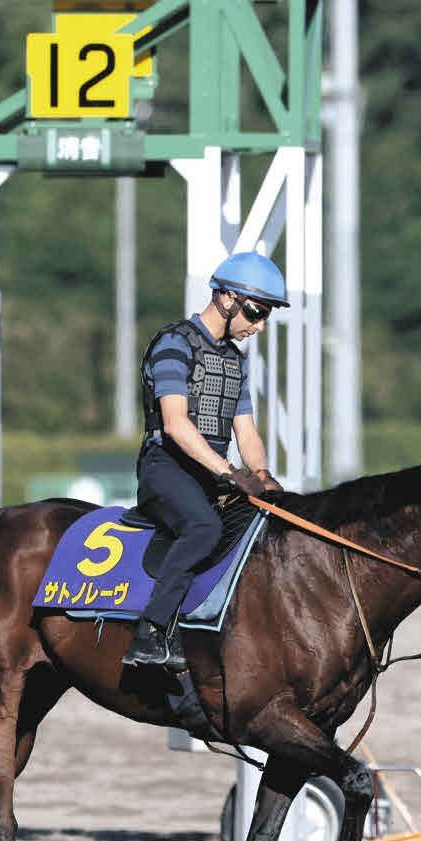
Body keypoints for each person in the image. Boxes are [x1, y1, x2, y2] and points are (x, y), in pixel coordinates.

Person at [122, 250, 288, 672]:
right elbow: (176, 426)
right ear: (226, 299)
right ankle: (151, 632)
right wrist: (231, 473)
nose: (259, 325)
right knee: (204, 525)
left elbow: (246, 431)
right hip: (166, 468)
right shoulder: (174, 343)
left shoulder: (235, 360)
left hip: (212, 473)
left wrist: (264, 476)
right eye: (256, 313)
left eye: (266, 316)